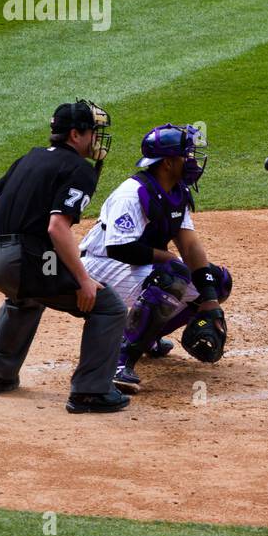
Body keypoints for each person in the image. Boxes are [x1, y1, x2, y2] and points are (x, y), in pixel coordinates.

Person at [0, 99, 130, 414]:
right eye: (93, 132)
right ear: (76, 134)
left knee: (28, 294)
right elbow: (57, 227)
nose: (96, 139)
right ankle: (90, 392)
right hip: (22, 262)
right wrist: (83, 280)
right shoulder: (78, 170)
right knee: (108, 307)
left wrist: (9, 242)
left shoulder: (29, 158)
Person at [79, 123, 231, 394]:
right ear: (168, 163)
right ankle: (120, 359)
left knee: (217, 282)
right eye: (187, 155)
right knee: (172, 277)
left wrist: (209, 299)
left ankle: (147, 337)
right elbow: (119, 248)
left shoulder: (177, 191)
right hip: (99, 264)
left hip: (134, 265)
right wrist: (168, 258)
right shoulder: (133, 193)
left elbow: (190, 244)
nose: (192, 161)